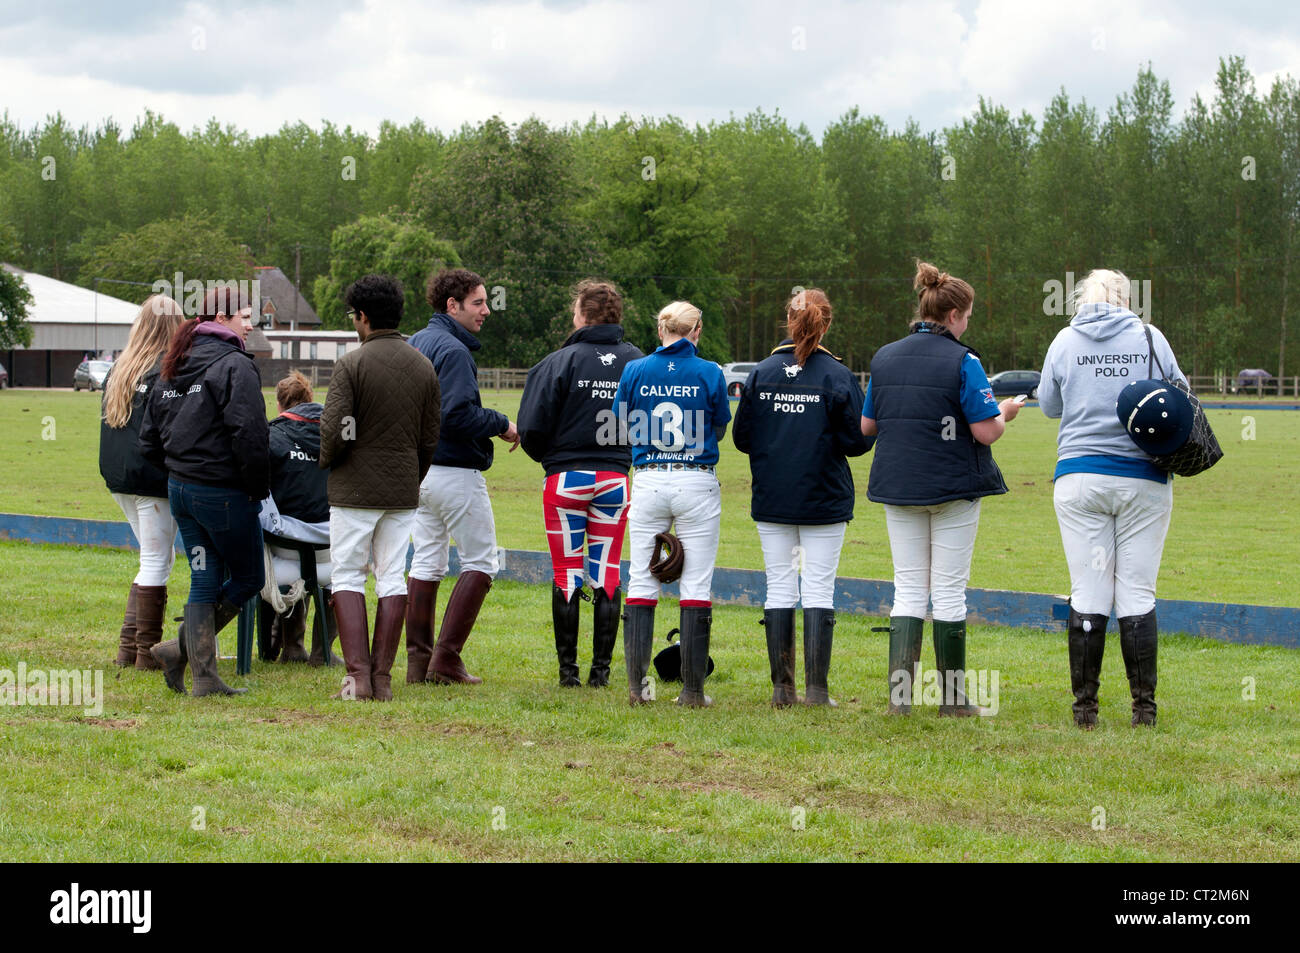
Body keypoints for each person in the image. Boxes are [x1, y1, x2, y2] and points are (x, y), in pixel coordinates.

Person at [861, 261, 1020, 716]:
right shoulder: (964, 360)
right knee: (949, 592)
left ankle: (900, 699)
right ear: (953, 315)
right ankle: (952, 700)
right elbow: (986, 432)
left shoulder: (884, 357)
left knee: (907, 588)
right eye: (967, 315)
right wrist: (1005, 413)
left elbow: (867, 425)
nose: (968, 322)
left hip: (898, 485)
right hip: (952, 486)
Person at [1037, 269, 1185, 729]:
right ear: (1125, 298)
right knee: (1137, 591)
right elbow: (1181, 395)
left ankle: (1085, 712)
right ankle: (1144, 711)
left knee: (1088, 590)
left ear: (1082, 297)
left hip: (1080, 479)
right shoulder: (1148, 335)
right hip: (1143, 477)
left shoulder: (1064, 340)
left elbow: (1048, 405)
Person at [733, 289, 871, 707]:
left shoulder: (761, 372)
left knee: (779, 587)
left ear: (787, 321)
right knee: (818, 589)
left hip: (774, 496)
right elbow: (857, 442)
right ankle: (817, 692)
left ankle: (781, 690)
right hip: (822, 499)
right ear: (826, 323)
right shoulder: (837, 375)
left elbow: (741, 438)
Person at [140, 286, 269, 697]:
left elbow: (148, 441)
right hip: (223, 494)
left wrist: (181, 472)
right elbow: (250, 436)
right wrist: (255, 490)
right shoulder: (235, 365)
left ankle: (200, 673)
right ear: (219, 318)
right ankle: (180, 652)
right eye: (244, 316)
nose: (250, 325)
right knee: (248, 578)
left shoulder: (173, 363)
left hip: (181, 492)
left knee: (204, 576)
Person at [319, 274, 441, 702]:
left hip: (354, 489)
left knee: (348, 574)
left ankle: (357, 679)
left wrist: (328, 462)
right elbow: (429, 438)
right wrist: (412, 475)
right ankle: (383, 680)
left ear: (364, 317)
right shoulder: (423, 365)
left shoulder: (350, 364)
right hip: (401, 490)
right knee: (392, 577)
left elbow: (335, 430)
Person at [517, 280, 643, 687]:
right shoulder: (638, 362)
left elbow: (531, 427)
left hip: (565, 479)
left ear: (583, 315)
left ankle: (568, 674)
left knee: (566, 573)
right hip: (614, 478)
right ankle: (600, 675)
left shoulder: (558, 361)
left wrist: (551, 460)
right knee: (606, 573)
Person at [614, 300, 731, 707]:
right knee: (696, 583)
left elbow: (621, 422)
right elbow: (719, 423)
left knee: (641, 579)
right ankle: (692, 693)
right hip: (695, 479)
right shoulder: (710, 371)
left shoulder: (634, 370)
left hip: (648, 478)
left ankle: (637, 690)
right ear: (696, 331)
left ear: (660, 330)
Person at [405, 268, 518, 686]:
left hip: (419, 472)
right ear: (452, 305)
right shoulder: (453, 351)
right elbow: (455, 414)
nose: (486, 310)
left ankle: (419, 662)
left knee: (427, 560)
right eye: (478, 303)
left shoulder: (418, 340)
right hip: (453, 469)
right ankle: (446, 659)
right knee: (482, 561)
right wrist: (501, 421)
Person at [99, 294, 185, 670]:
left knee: (152, 557)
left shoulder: (120, 367)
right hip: (150, 480)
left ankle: (129, 649)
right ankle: (145, 655)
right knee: (155, 560)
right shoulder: (166, 369)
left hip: (120, 478)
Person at [259, 371, 332, 665]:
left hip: (284, 547)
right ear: (311, 400)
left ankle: (287, 644)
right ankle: (320, 650)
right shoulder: (338, 435)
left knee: (276, 545)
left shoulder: (270, 435)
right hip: (331, 550)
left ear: (279, 405)